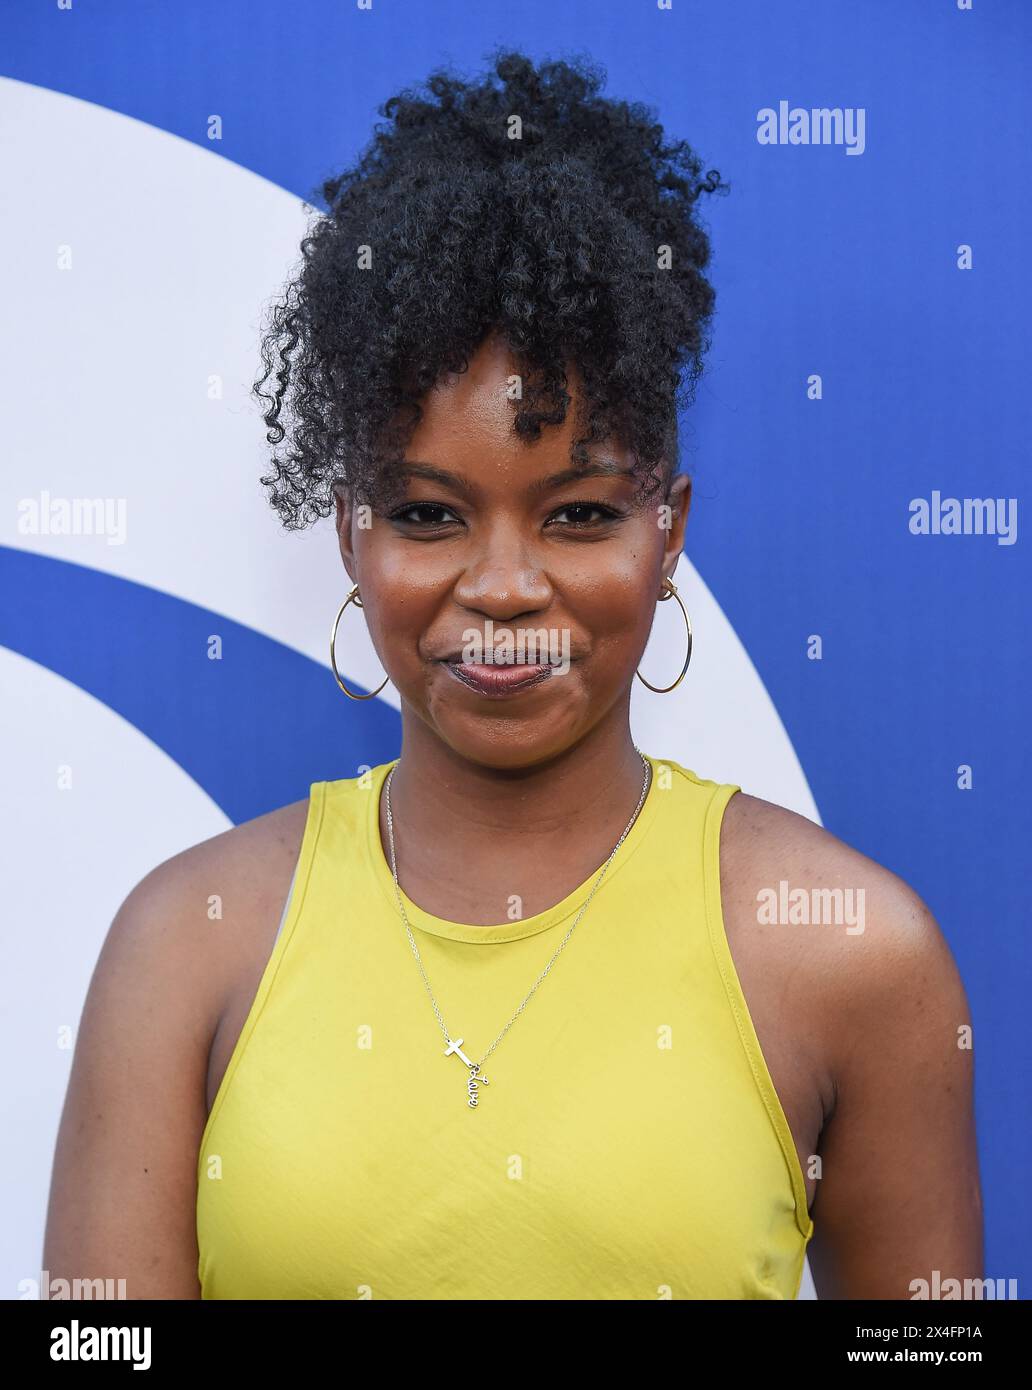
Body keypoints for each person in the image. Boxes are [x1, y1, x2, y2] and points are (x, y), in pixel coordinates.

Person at [43, 49, 981, 1300]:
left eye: (581, 515)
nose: (501, 585)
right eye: (428, 516)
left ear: (669, 532)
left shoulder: (856, 951)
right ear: (351, 536)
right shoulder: (184, 948)